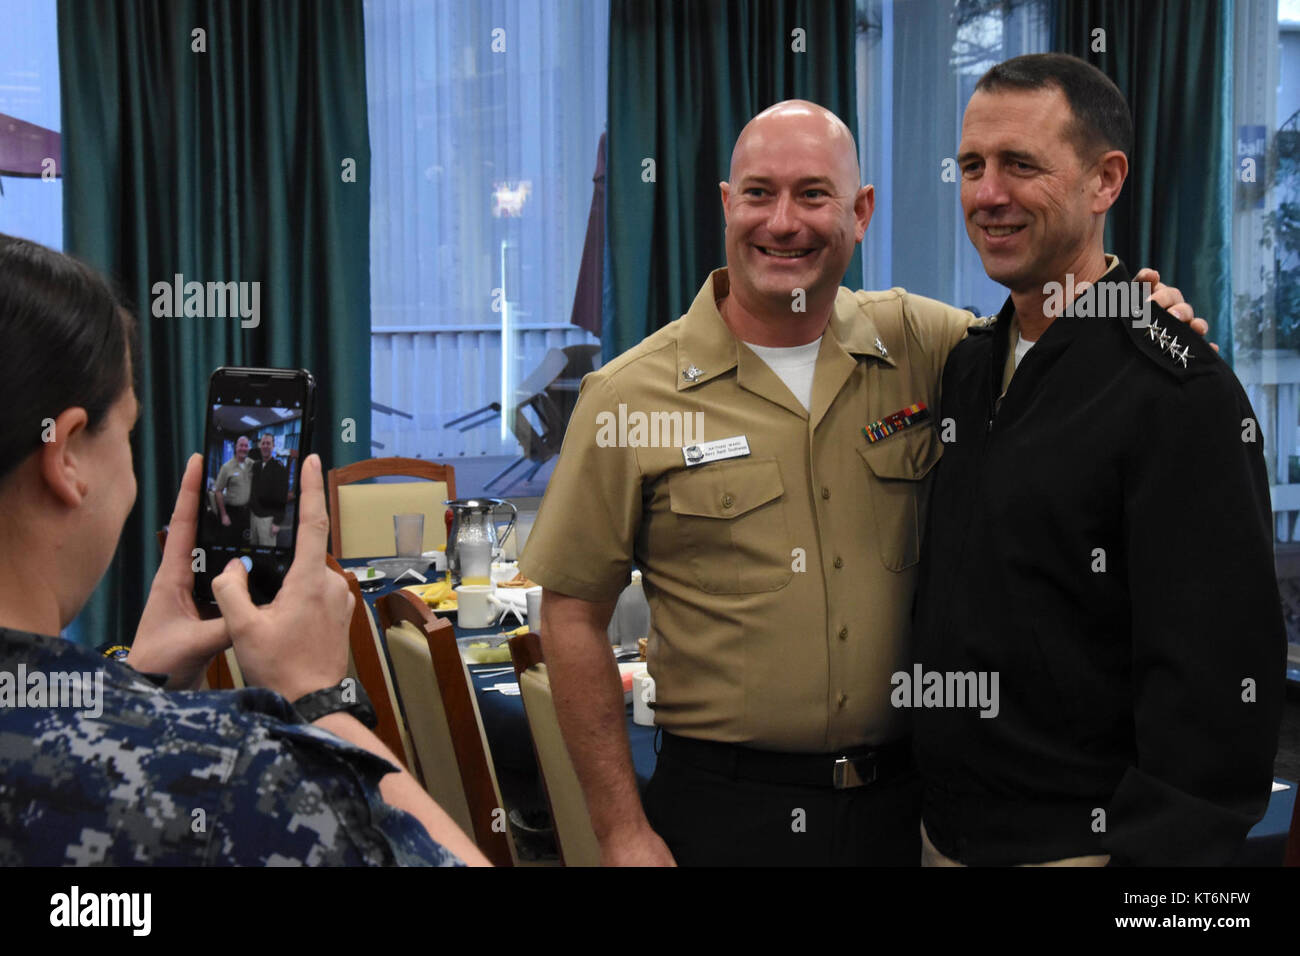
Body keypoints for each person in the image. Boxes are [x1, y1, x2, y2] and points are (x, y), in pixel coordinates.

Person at [517, 100, 1199, 866]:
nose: (784, 222)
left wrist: (1134, 313)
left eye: (813, 194)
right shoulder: (630, 397)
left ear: (861, 211)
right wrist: (620, 829)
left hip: (910, 814)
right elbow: (571, 616)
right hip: (723, 814)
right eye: (758, 193)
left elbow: (1048, 336)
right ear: (724, 204)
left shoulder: (928, 345)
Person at [0, 233, 489, 866]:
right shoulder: (229, 779)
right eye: (126, 429)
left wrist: (142, 681)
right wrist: (317, 700)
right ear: (66, 454)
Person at [910, 54, 1284, 866]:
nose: (987, 194)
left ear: (1104, 181)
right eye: (972, 166)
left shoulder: (1179, 390)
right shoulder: (968, 368)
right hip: (939, 835)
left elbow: (1218, 686)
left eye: (1021, 165)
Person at [248, 433, 289, 547]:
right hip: (253, 516)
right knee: (253, 547)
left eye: (268, 443)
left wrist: (277, 522)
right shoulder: (255, 466)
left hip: (268, 519)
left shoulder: (279, 468)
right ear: (260, 445)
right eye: (263, 443)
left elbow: (282, 496)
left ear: (273, 446)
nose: (265, 446)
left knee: (267, 552)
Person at [213, 434, 252, 548]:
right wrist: (224, 515)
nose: (243, 448)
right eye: (241, 445)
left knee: (246, 542)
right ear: (236, 447)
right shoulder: (226, 467)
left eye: (246, 446)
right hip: (232, 512)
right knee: (231, 541)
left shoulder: (251, 464)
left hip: (247, 512)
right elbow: (218, 491)